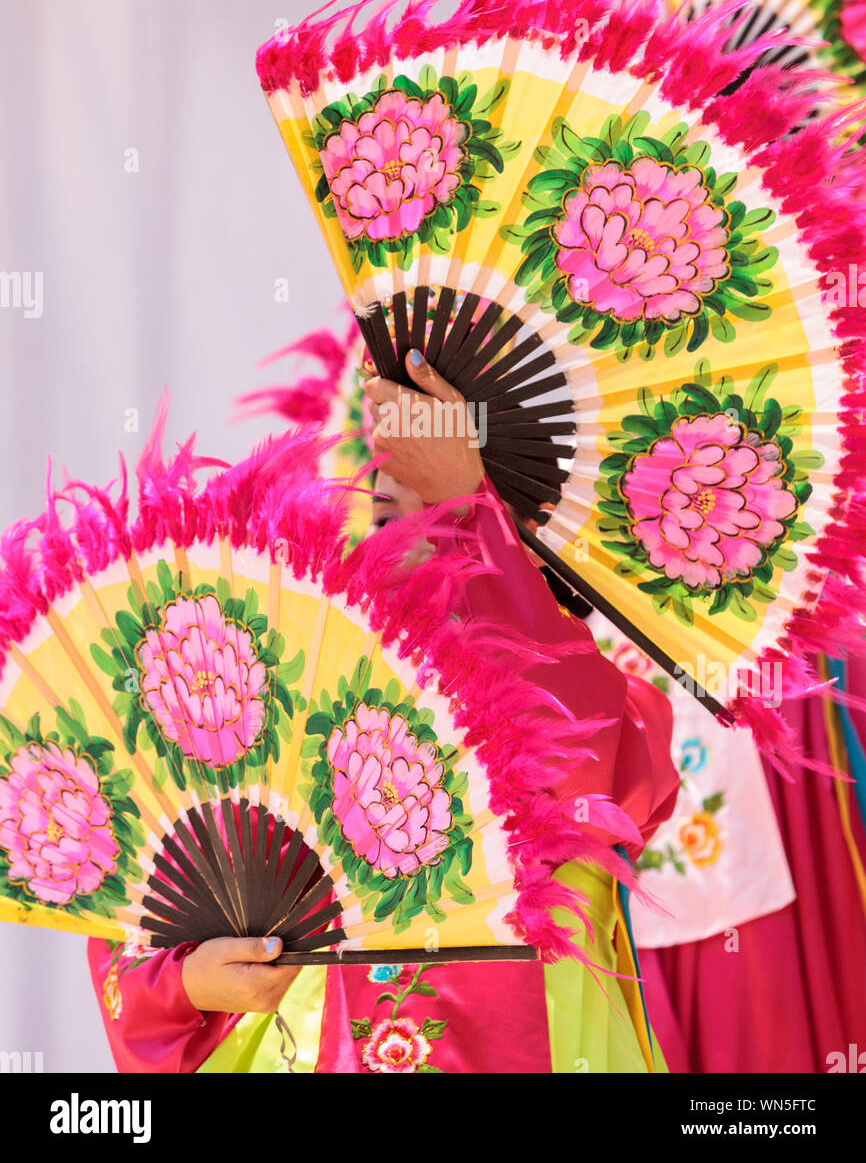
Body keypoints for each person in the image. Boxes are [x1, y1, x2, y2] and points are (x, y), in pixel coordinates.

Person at [88, 350, 678, 1073]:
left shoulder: (623, 706)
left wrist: (466, 504)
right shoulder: (286, 669)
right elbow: (142, 895)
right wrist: (185, 982)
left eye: (440, 445)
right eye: (391, 444)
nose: (393, 471)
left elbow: (556, 762)